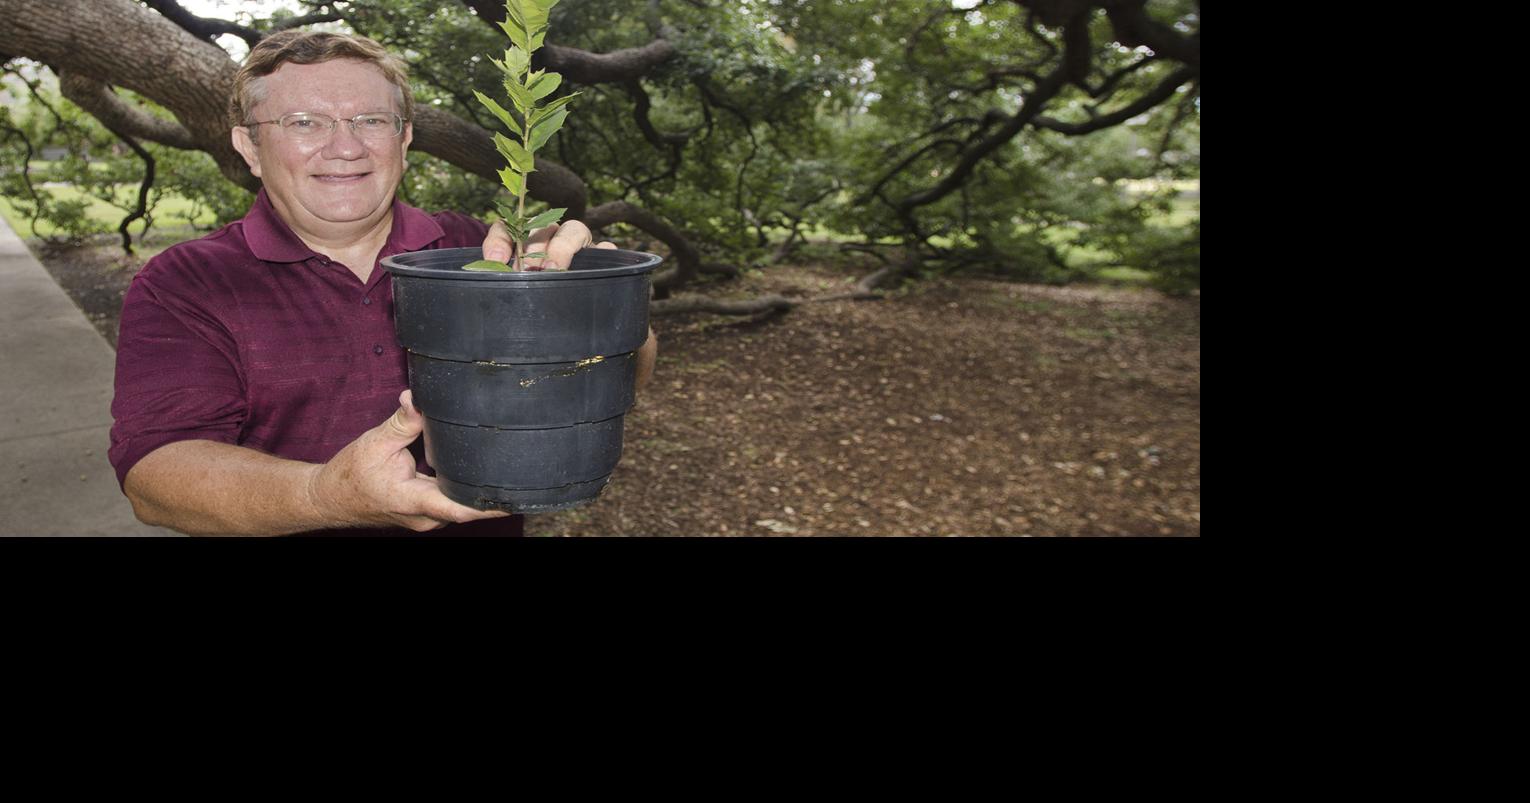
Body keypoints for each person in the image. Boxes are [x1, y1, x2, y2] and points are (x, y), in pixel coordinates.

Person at [107, 30, 657, 536]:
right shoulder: (186, 283)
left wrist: (602, 300)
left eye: (371, 120)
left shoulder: (483, 255)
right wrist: (323, 495)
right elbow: (156, 478)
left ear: (405, 139)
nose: (345, 147)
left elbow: (623, 377)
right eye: (304, 121)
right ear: (250, 147)